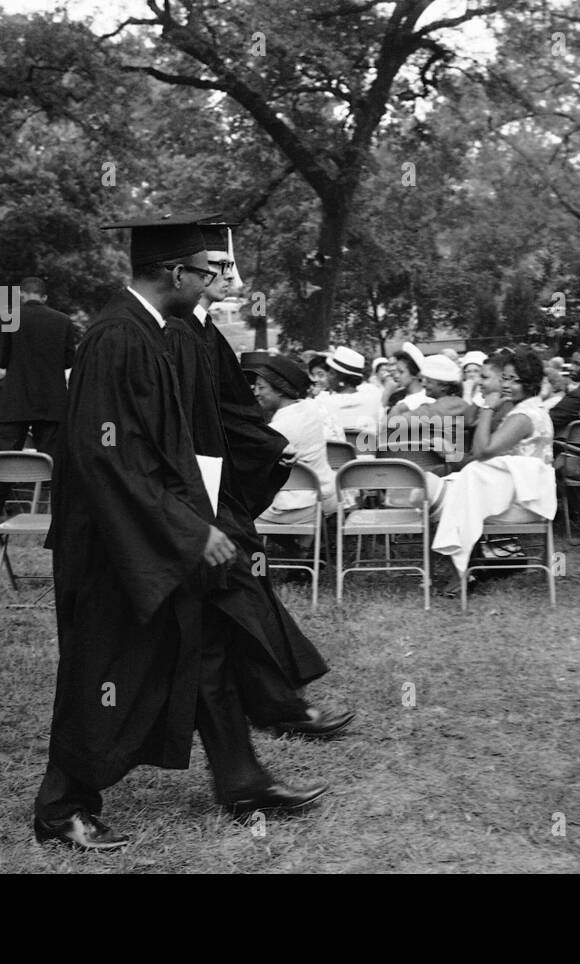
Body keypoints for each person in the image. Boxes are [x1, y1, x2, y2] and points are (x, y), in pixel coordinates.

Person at [34, 213, 330, 852]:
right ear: (174, 272)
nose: (211, 283)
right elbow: (103, 454)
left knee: (206, 646)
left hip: (155, 526)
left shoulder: (155, 329)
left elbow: (169, 444)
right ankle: (62, 808)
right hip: (115, 541)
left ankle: (242, 778)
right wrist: (188, 529)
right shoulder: (119, 337)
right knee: (104, 668)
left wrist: (202, 517)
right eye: (204, 272)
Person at [160, 214, 355, 741]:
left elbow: (229, 410)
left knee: (237, 597)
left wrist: (270, 453)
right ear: (189, 271)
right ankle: (274, 709)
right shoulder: (175, 332)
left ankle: (271, 707)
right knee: (235, 595)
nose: (233, 279)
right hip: (194, 489)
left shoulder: (199, 330)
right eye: (221, 266)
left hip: (216, 484)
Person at [428, 350, 557, 578]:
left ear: (529, 384)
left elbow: (481, 452)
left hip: (522, 504)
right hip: (520, 494)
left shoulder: (524, 416)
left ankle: (464, 571)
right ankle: (483, 562)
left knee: (434, 492)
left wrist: (488, 407)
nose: (506, 385)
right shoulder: (529, 410)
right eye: (505, 378)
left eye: (515, 380)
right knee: (439, 489)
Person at [0, 277, 75, 519]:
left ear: (21, 295)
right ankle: (62, 516)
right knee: (54, 462)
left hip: (16, 397)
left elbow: (1, 359)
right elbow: (70, 360)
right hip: (52, 399)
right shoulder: (63, 321)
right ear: (44, 297)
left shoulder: (8, 317)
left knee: (4, 457)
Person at [246, 354, 339, 524]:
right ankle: (297, 548)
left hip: (296, 506)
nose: (256, 393)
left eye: (261, 387)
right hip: (324, 496)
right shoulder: (311, 407)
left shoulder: (277, 431)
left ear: (280, 390)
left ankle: (257, 550)